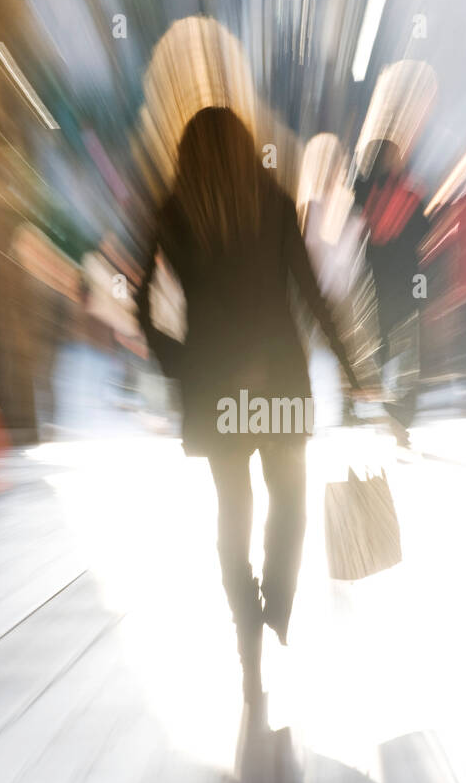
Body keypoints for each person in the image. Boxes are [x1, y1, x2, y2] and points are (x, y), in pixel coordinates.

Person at [134, 107, 361, 709]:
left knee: (232, 513)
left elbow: (139, 304)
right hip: (279, 380)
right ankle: (278, 604)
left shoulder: (175, 209)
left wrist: (176, 360)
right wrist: (354, 365)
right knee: (289, 502)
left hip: (214, 385)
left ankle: (247, 629)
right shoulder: (272, 198)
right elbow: (311, 293)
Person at [354, 140, 430, 447]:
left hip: (373, 287)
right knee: (407, 351)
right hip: (407, 285)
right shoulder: (409, 196)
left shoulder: (360, 195)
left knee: (382, 348)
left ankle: (379, 408)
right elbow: (423, 235)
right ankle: (399, 415)